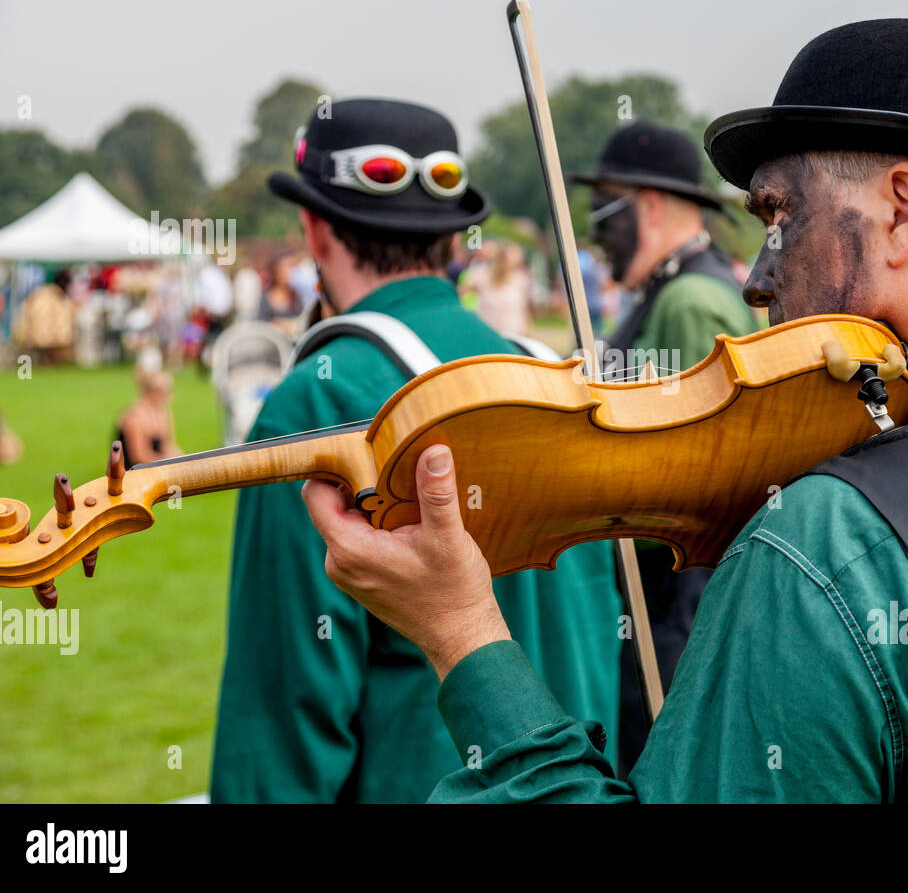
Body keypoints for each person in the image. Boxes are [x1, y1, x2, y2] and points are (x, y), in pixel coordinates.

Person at [303, 20, 908, 803]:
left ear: (902, 210)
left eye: (780, 215)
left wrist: (464, 634)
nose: (760, 282)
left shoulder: (831, 537)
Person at [210, 98, 621, 803]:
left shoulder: (315, 403)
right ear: (454, 237)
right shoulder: (554, 375)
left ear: (314, 229)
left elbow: (282, 723)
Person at [572, 120, 759, 771]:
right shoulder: (673, 290)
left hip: (674, 600)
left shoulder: (688, 301)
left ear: (648, 207)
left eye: (604, 211)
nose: (596, 233)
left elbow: (685, 480)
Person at [115, 364, 181, 469]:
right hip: (134, 475)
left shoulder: (162, 411)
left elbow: (167, 445)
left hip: (155, 468)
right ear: (148, 390)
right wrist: (170, 462)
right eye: (160, 390)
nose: (166, 395)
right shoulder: (134, 417)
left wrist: (182, 459)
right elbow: (139, 457)